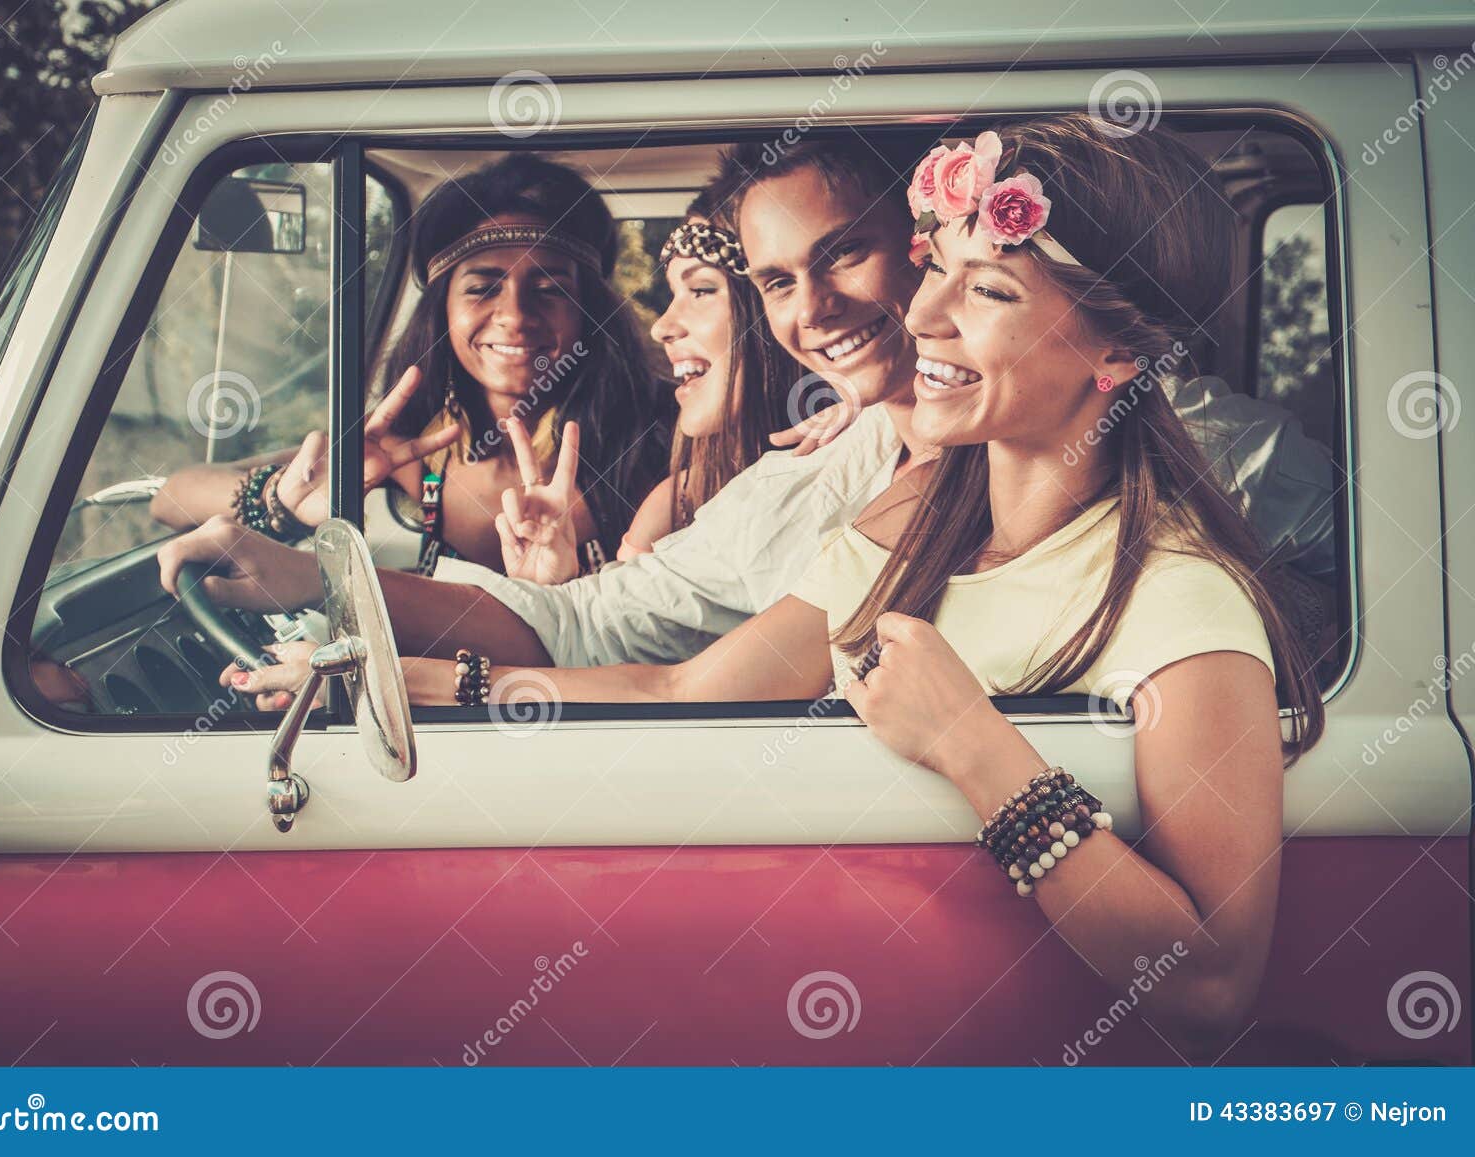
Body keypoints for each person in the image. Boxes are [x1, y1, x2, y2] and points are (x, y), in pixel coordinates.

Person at [248, 116, 1317, 1055]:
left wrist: (976, 748)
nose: (928, 314)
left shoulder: (1184, 596)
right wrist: (439, 686)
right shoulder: (918, 514)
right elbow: (687, 693)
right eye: (933, 265)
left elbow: (1210, 987)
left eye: (985, 289)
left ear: (1119, 356)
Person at [151, 154, 673, 575]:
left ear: (590, 311)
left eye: (550, 290)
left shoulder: (663, 444)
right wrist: (285, 499)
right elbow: (174, 496)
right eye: (483, 288)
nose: (515, 316)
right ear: (441, 310)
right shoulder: (399, 446)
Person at [498, 187, 799, 578]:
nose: (662, 327)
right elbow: (615, 632)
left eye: (702, 290)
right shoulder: (674, 503)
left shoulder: (868, 462)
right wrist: (550, 585)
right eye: (674, 294)